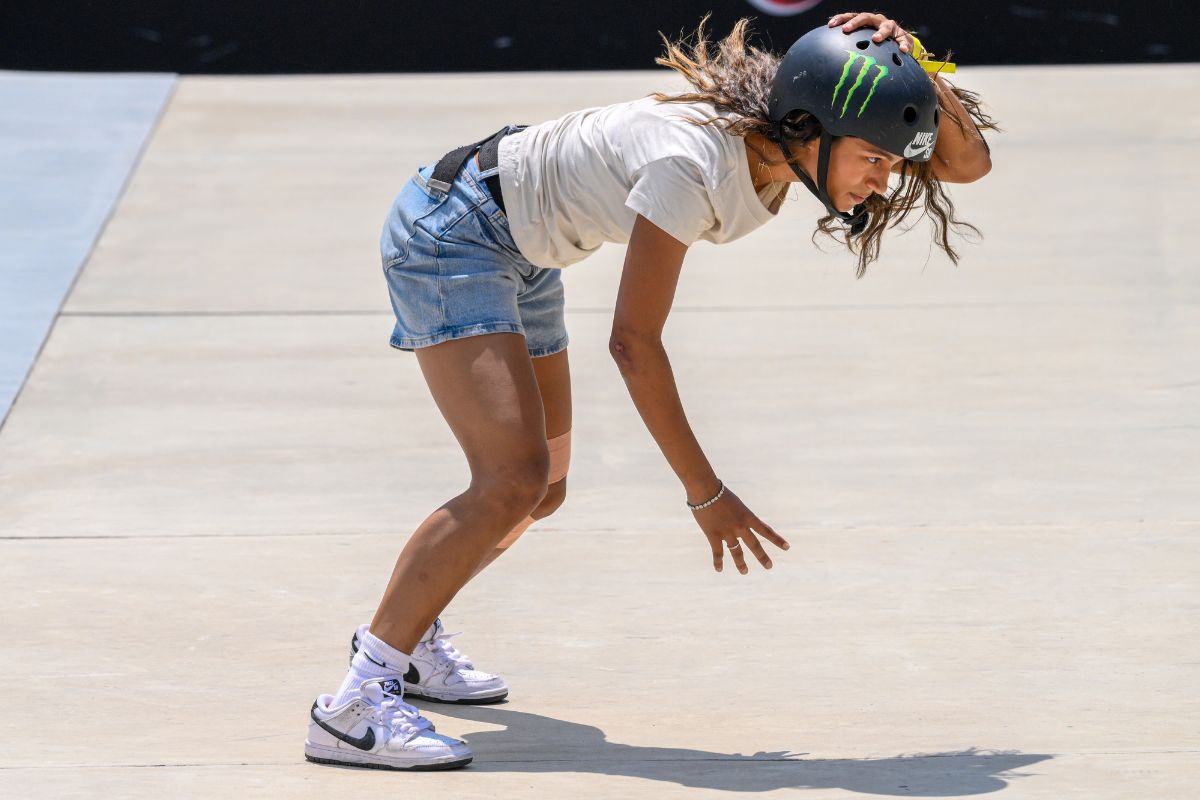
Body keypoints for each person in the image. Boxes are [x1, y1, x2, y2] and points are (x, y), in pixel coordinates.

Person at [304, 10, 996, 771]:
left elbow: (966, 166)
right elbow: (634, 345)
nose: (882, 179)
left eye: (891, 164)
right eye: (874, 158)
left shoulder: (786, 140)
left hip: (524, 252)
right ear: (808, 127)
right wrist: (706, 492)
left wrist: (915, 67)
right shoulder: (689, 164)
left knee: (544, 489)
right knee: (511, 481)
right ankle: (354, 704)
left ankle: (412, 632)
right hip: (454, 234)